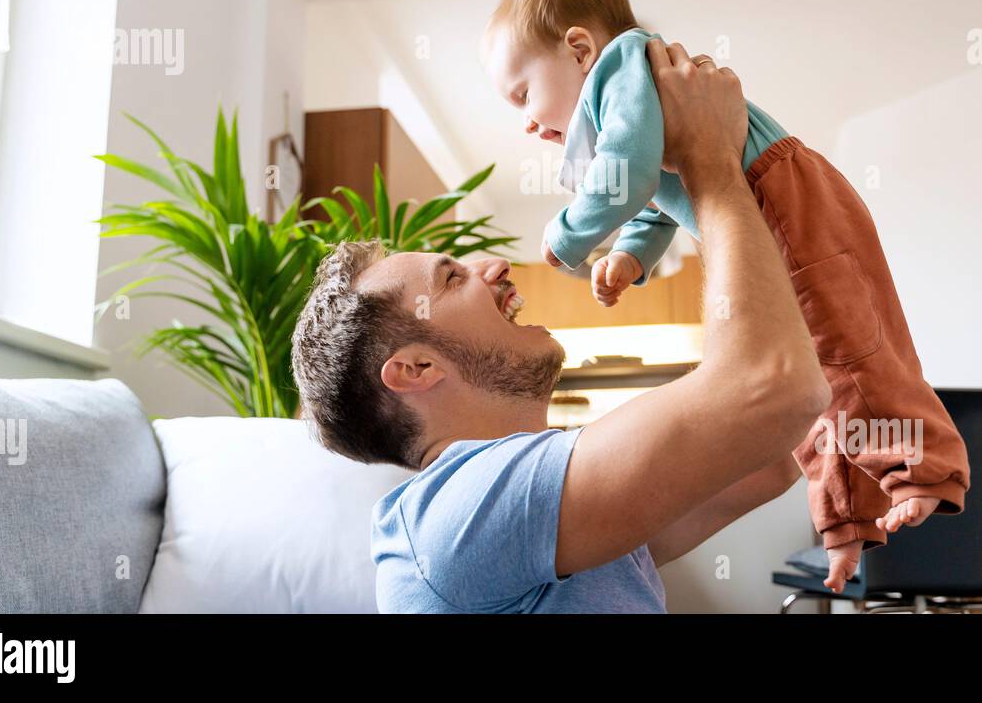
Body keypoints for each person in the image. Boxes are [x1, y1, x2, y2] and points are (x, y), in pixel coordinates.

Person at [481, 0, 971, 592]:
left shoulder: (621, 65)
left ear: (578, 49)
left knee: (846, 347)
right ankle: (848, 521)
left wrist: (571, 233)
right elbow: (661, 192)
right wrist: (633, 254)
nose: (524, 120)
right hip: (775, 203)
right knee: (813, 379)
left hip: (786, 197)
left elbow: (627, 170)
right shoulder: (637, 104)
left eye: (523, 93)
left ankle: (925, 466)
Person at [292, 40, 831, 611]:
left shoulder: (545, 515)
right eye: (452, 279)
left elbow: (769, 452)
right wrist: (708, 159)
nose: (495, 267)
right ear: (417, 368)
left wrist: (694, 185)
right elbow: (772, 392)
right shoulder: (458, 515)